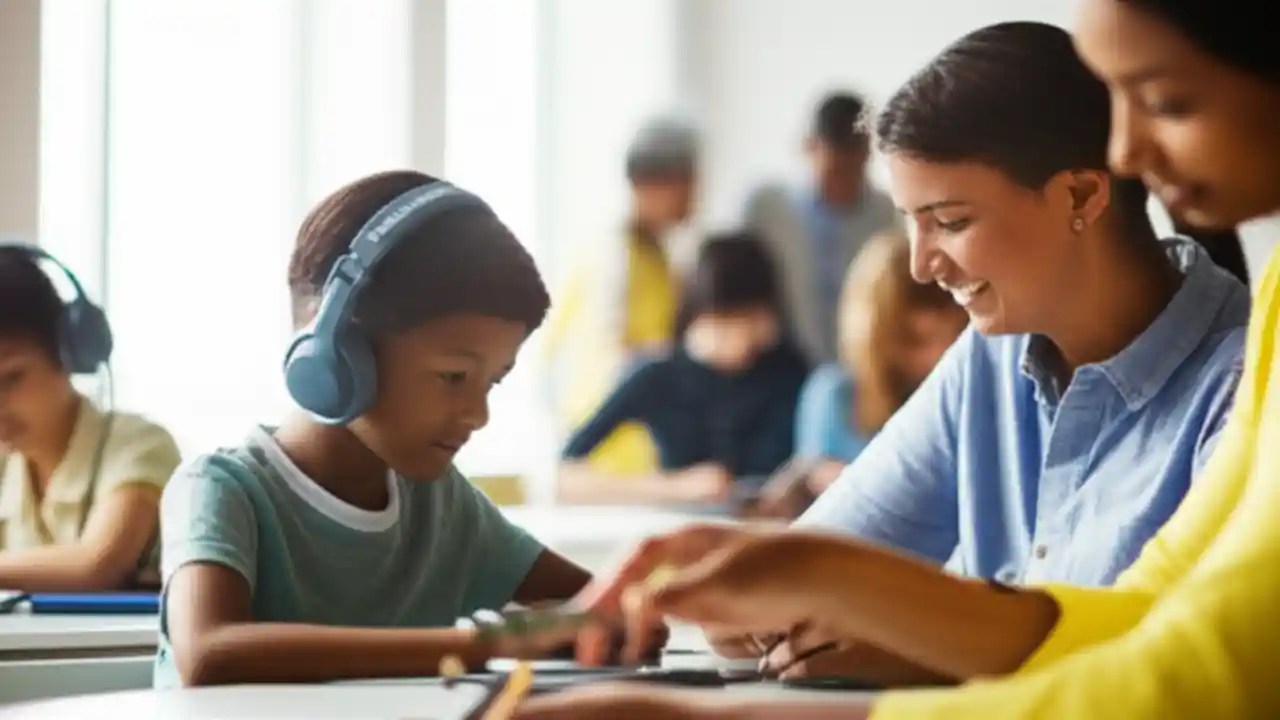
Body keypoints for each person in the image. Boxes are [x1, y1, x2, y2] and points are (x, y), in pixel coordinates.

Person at [516, 1, 1280, 718]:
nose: (919, 267)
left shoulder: (1237, 373)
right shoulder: (989, 361)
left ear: (1082, 197)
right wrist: (782, 581)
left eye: (949, 220)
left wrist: (922, 647)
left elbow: (1190, 670)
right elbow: (1142, 614)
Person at [157, 171, 594, 687]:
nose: (478, 415)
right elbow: (209, 654)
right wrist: (481, 643)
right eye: (453, 377)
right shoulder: (221, 488)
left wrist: (633, 612)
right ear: (340, 351)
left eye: (492, 383)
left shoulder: (442, 506)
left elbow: (603, 603)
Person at [557, 233, 810, 509]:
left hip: (776, 535)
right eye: (728, 320)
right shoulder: (658, 376)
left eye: (754, 320)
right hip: (683, 528)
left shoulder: (791, 373)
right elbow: (565, 475)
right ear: (700, 313)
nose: (743, 338)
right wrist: (675, 487)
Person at [0, 245, 180, 591]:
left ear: (70, 355)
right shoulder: (6, 464)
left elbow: (97, 564)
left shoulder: (139, 445)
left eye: (11, 378)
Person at [543, 117, 700, 480]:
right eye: (688, 183)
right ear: (654, 184)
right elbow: (609, 349)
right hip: (609, 449)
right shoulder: (613, 255)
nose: (695, 196)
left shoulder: (659, 252)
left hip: (636, 446)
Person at [789, 230, 966, 495]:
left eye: (952, 338)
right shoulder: (834, 394)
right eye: (916, 341)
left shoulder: (963, 394)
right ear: (877, 337)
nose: (938, 355)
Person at [746, 91, 899, 366]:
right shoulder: (765, 209)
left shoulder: (884, 214)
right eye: (835, 172)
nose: (842, 187)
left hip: (859, 367)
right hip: (780, 368)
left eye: (854, 172)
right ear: (808, 147)